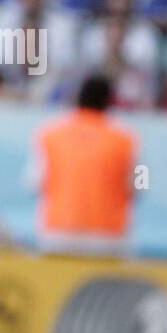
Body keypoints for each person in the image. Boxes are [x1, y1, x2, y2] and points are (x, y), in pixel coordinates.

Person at [33, 74, 138, 255]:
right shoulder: (127, 139)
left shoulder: (50, 135)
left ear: (78, 98)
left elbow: (35, 181)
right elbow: (139, 186)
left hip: (59, 232)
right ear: (109, 101)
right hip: (109, 236)